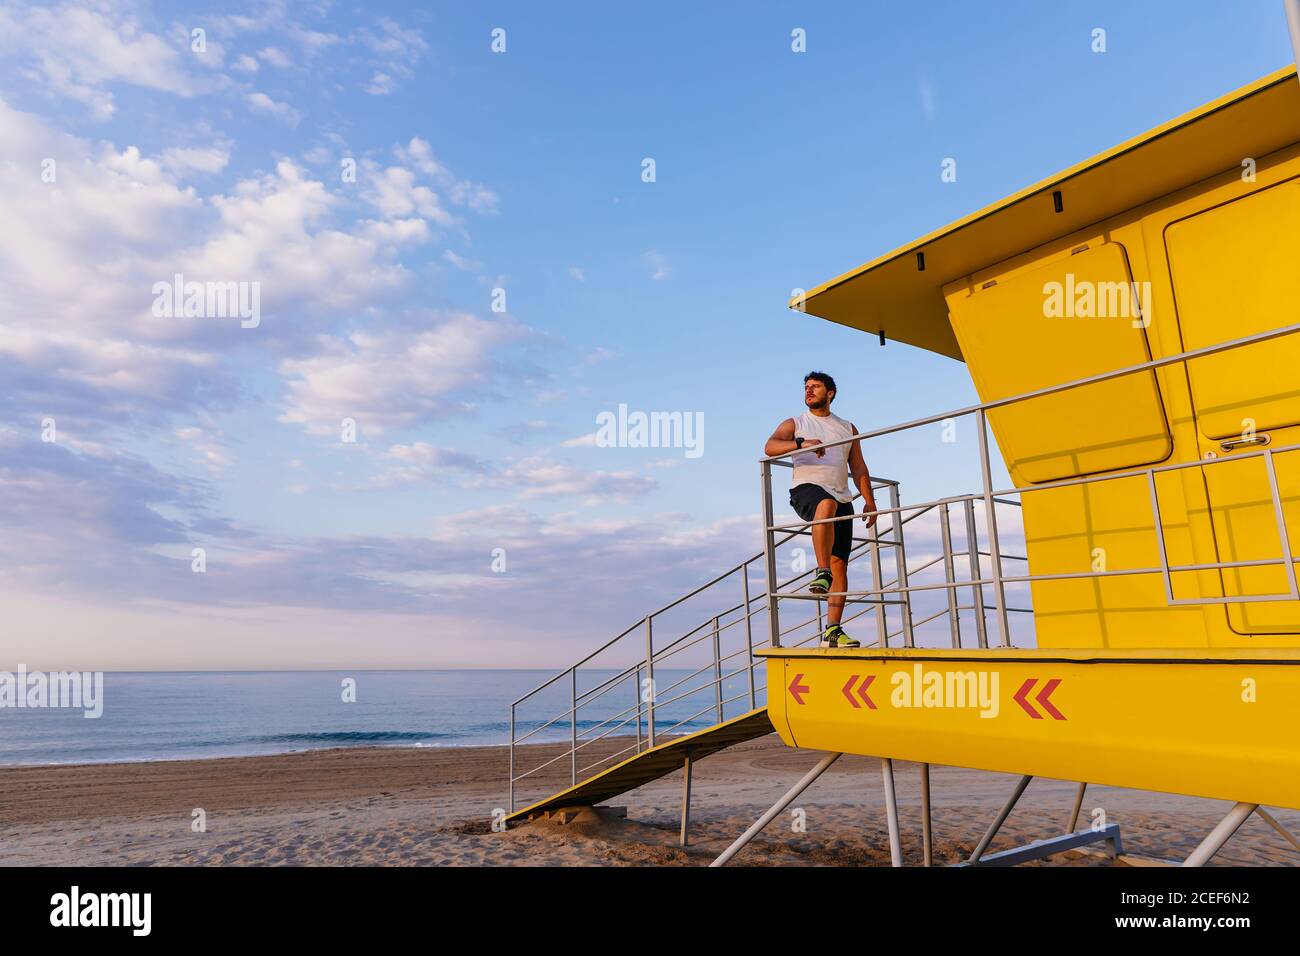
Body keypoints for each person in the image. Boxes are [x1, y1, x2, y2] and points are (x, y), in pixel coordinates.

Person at [764, 371, 877, 648]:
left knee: (842, 565)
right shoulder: (796, 423)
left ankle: (833, 631)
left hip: (842, 495)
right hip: (806, 489)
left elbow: (858, 466)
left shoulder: (847, 427)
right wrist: (802, 443)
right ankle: (821, 571)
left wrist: (870, 500)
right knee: (825, 505)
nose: (809, 391)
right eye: (806, 387)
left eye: (815, 387)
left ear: (830, 393)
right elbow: (770, 447)